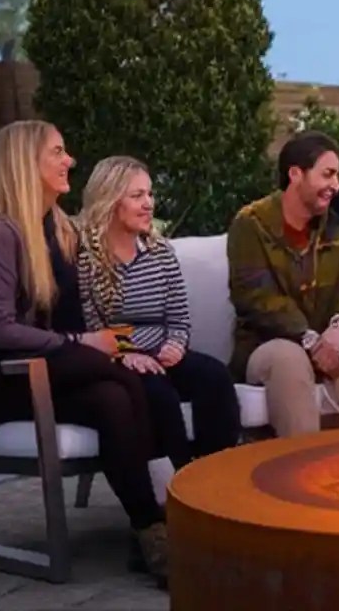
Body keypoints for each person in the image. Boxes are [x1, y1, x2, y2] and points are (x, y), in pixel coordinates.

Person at [0, 121, 168, 584]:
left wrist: (118, 345)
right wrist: (87, 346)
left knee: (113, 396)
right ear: (27, 164)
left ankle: (150, 529)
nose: (70, 161)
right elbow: (0, 329)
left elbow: (75, 319)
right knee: (120, 378)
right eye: (58, 152)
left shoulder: (59, 229)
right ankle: (158, 525)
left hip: (45, 374)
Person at [76, 156, 241, 469]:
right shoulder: (88, 260)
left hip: (165, 353)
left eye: (150, 194)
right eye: (137, 196)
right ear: (110, 202)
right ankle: (181, 482)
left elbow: (179, 317)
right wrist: (126, 355)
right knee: (159, 394)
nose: (148, 204)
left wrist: (175, 346)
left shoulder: (161, 252)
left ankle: (217, 474)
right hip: (121, 360)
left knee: (214, 377)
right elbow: (92, 325)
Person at [227, 132, 339, 437]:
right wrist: (309, 339)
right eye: (328, 174)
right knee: (290, 361)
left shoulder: (332, 227)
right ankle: (300, 470)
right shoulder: (251, 224)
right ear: (296, 174)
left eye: (337, 176)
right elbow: (255, 298)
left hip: (323, 343)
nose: (337, 186)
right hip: (268, 344)